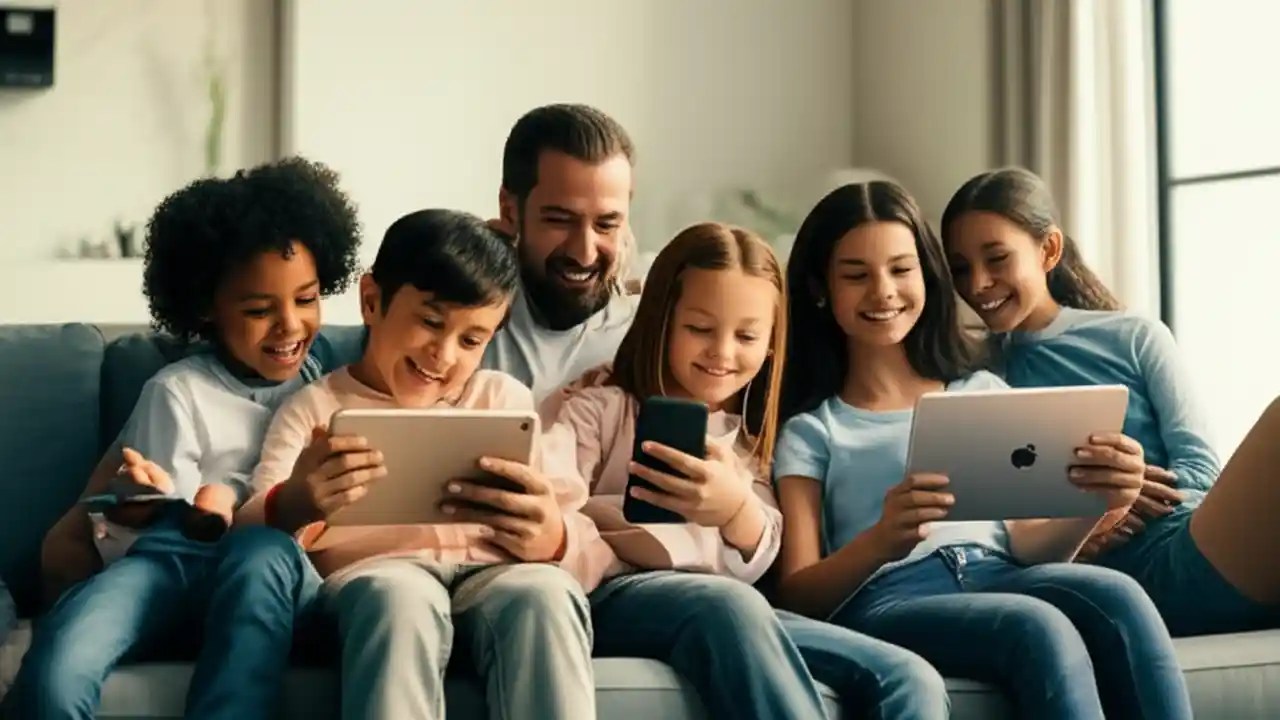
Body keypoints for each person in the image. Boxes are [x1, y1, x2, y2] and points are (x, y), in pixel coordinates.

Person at [773, 180, 1192, 719]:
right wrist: (882, 539)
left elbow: (1030, 547)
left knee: (1118, 596)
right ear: (819, 288)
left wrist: (1096, 505)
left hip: (1003, 574)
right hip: (890, 599)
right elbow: (798, 593)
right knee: (1035, 627)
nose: (883, 291)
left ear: (926, 275)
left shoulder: (981, 392)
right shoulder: (814, 429)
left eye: (902, 269)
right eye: (856, 275)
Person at [546, 221, 949, 719]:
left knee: (908, 677)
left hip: (741, 609)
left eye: (747, 335)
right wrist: (620, 526)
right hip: (624, 600)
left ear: (772, 344)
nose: (723, 352)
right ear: (662, 322)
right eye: (699, 329)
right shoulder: (602, 409)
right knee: (729, 606)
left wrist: (735, 509)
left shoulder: (755, 438)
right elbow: (553, 504)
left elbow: (766, 550)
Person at [7, 158, 363, 719]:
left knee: (263, 550)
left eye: (307, 298)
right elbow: (141, 527)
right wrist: (136, 506)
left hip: (267, 571)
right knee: (59, 668)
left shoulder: (329, 382)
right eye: (257, 309)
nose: (291, 326)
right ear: (206, 307)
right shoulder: (178, 391)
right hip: (168, 562)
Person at [236, 209, 614, 720]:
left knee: (545, 594)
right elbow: (250, 530)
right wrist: (298, 499)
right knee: (399, 598)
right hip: (378, 577)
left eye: (472, 340)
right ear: (372, 301)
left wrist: (553, 539)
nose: (443, 354)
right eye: (430, 323)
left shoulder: (504, 399)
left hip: (496, 575)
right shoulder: (315, 409)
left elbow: (586, 542)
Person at [942, 166, 1280, 636]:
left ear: (1049, 250)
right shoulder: (973, 376)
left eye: (996, 259)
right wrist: (1087, 524)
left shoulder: (1134, 336)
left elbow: (1202, 470)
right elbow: (986, 518)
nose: (977, 284)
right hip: (1109, 577)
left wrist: (1129, 495)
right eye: (960, 268)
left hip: (1184, 542)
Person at [483, 103, 639, 411]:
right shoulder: (456, 322)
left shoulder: (653, 336)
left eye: (606, 224)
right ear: (510, 210)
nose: (584, 254)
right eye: (559, 220)